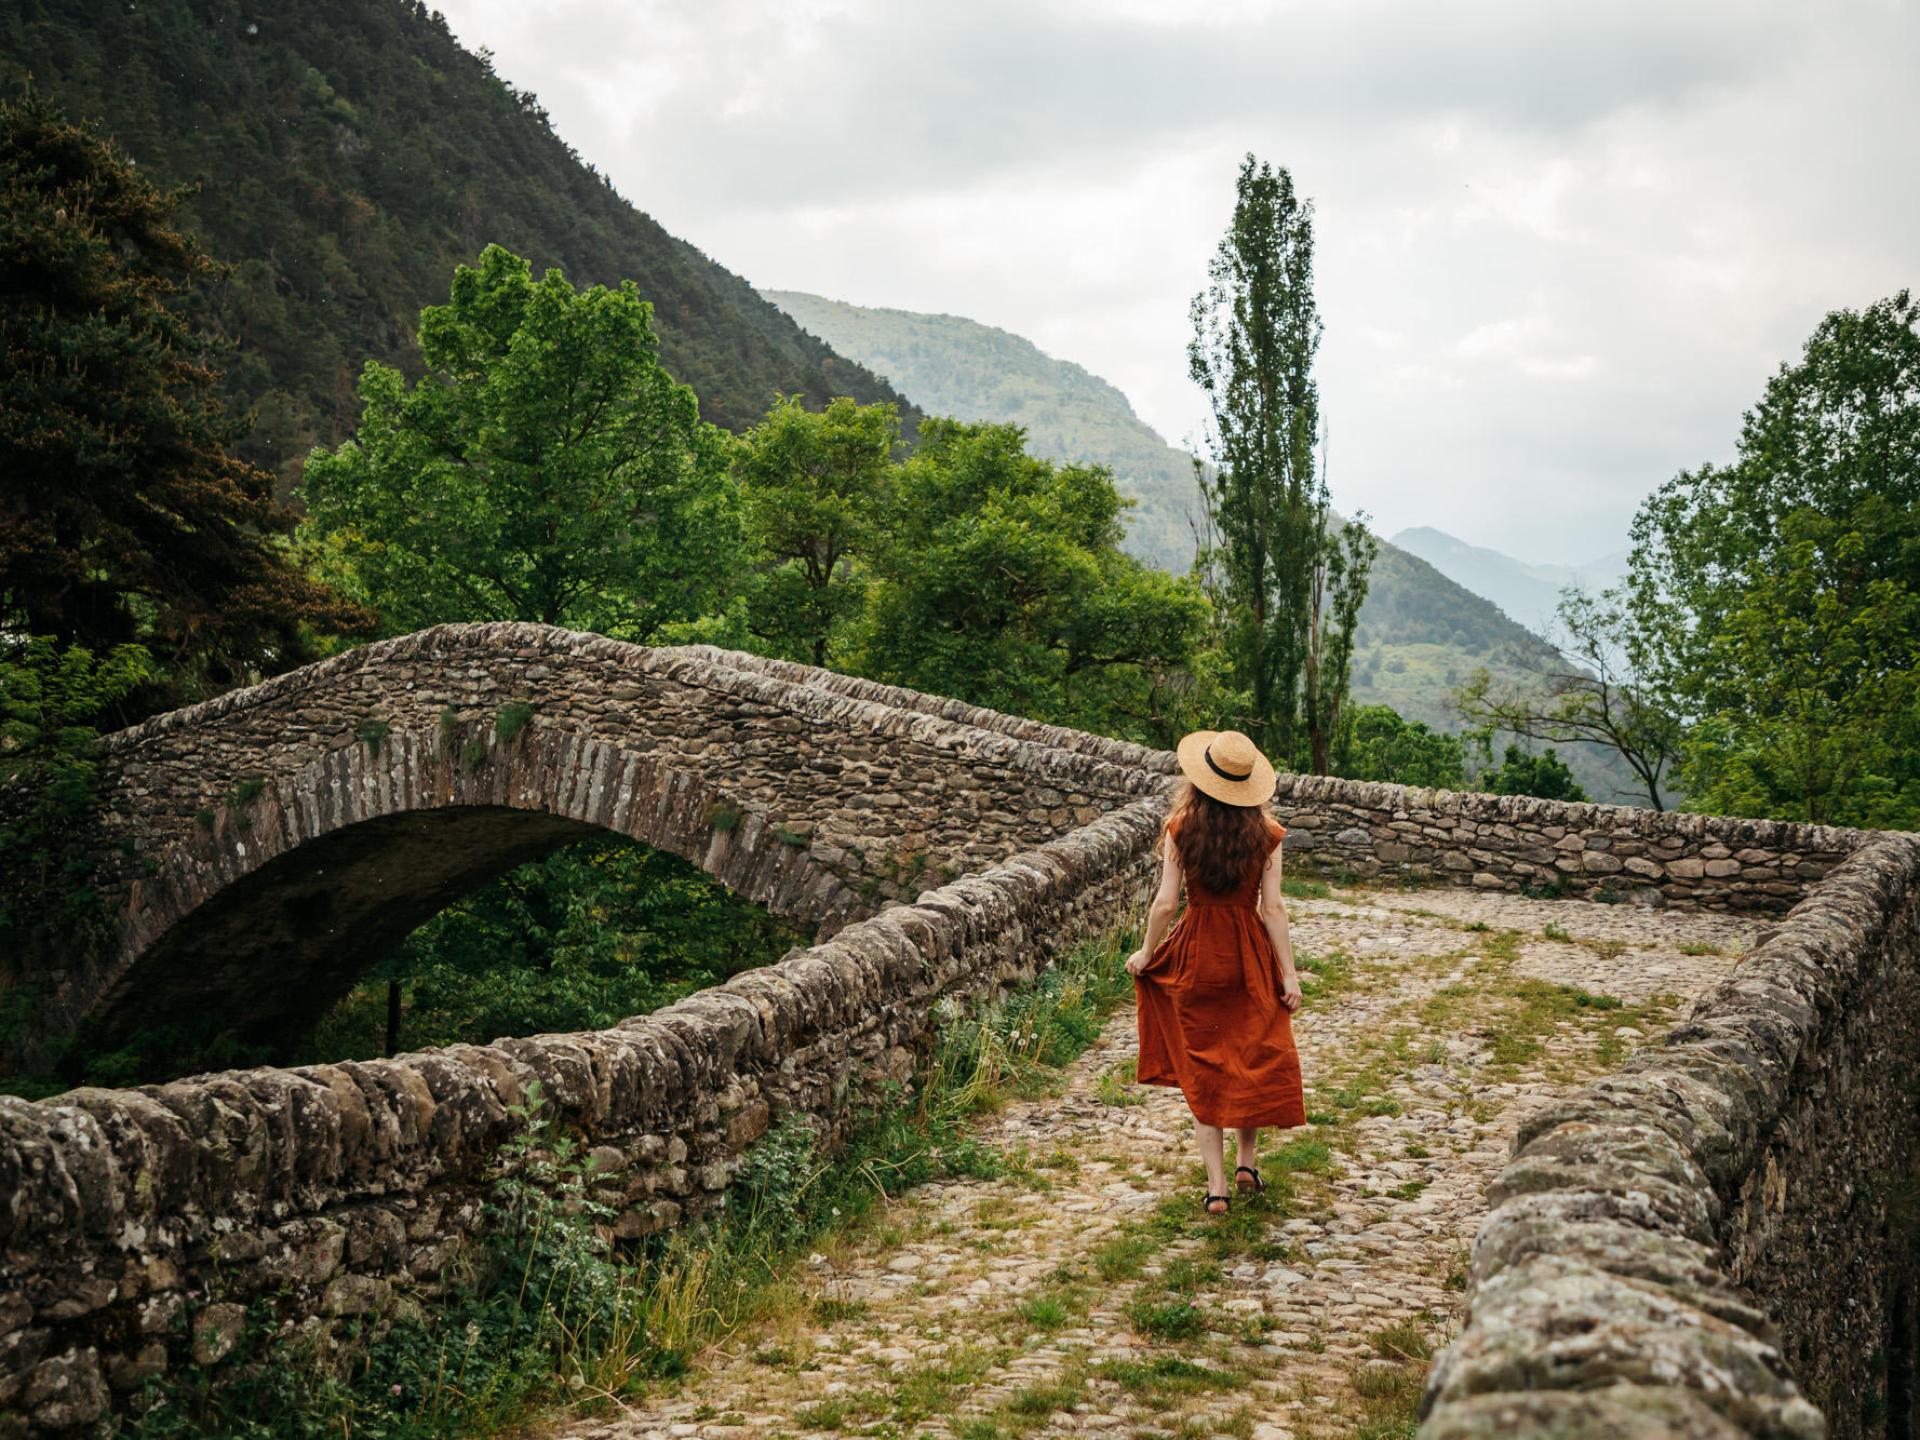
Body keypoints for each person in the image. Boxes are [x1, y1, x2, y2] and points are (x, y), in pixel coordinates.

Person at [1126, 728, 1305, 1215]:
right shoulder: (1268, 835)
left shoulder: (1180, 828)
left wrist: (1146, 953)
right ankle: (1247, 1163)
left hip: (1196, 954)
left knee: (1204, 1067)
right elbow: (1273, 911)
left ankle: (1218, 1188)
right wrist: (1288, 975)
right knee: (1250, 1055)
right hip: (1248, 956)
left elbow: (1166, 903)